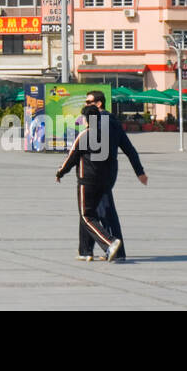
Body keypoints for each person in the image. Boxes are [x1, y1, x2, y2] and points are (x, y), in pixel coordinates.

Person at [56, 92, 147, 262]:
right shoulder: (112, 121)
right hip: (108, 172)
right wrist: (139, 171)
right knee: (90, 210)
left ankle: (114, 250)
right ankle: (85, 250)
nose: (85, 104)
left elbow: (79, 153)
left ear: (98, 104)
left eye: (88, 101)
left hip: (93, 174)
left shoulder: (99, 124)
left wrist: (61, 171)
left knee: (101, 212)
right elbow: (128, 148)